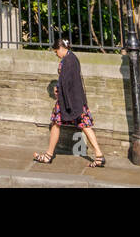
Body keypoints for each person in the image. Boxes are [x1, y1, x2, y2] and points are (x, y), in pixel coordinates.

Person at [34, 36, 106, 168]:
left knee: (60, 123)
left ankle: (48, 156)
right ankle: (99, 155)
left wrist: (59, 90)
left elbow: (68, 82)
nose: (56, 54)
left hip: (70, 100)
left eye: (56, 51)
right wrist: (59, 88)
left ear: (61, 48)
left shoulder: (69, 60)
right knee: (81, 124)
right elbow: (67, 80)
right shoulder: (71, 58)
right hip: (74, 99)